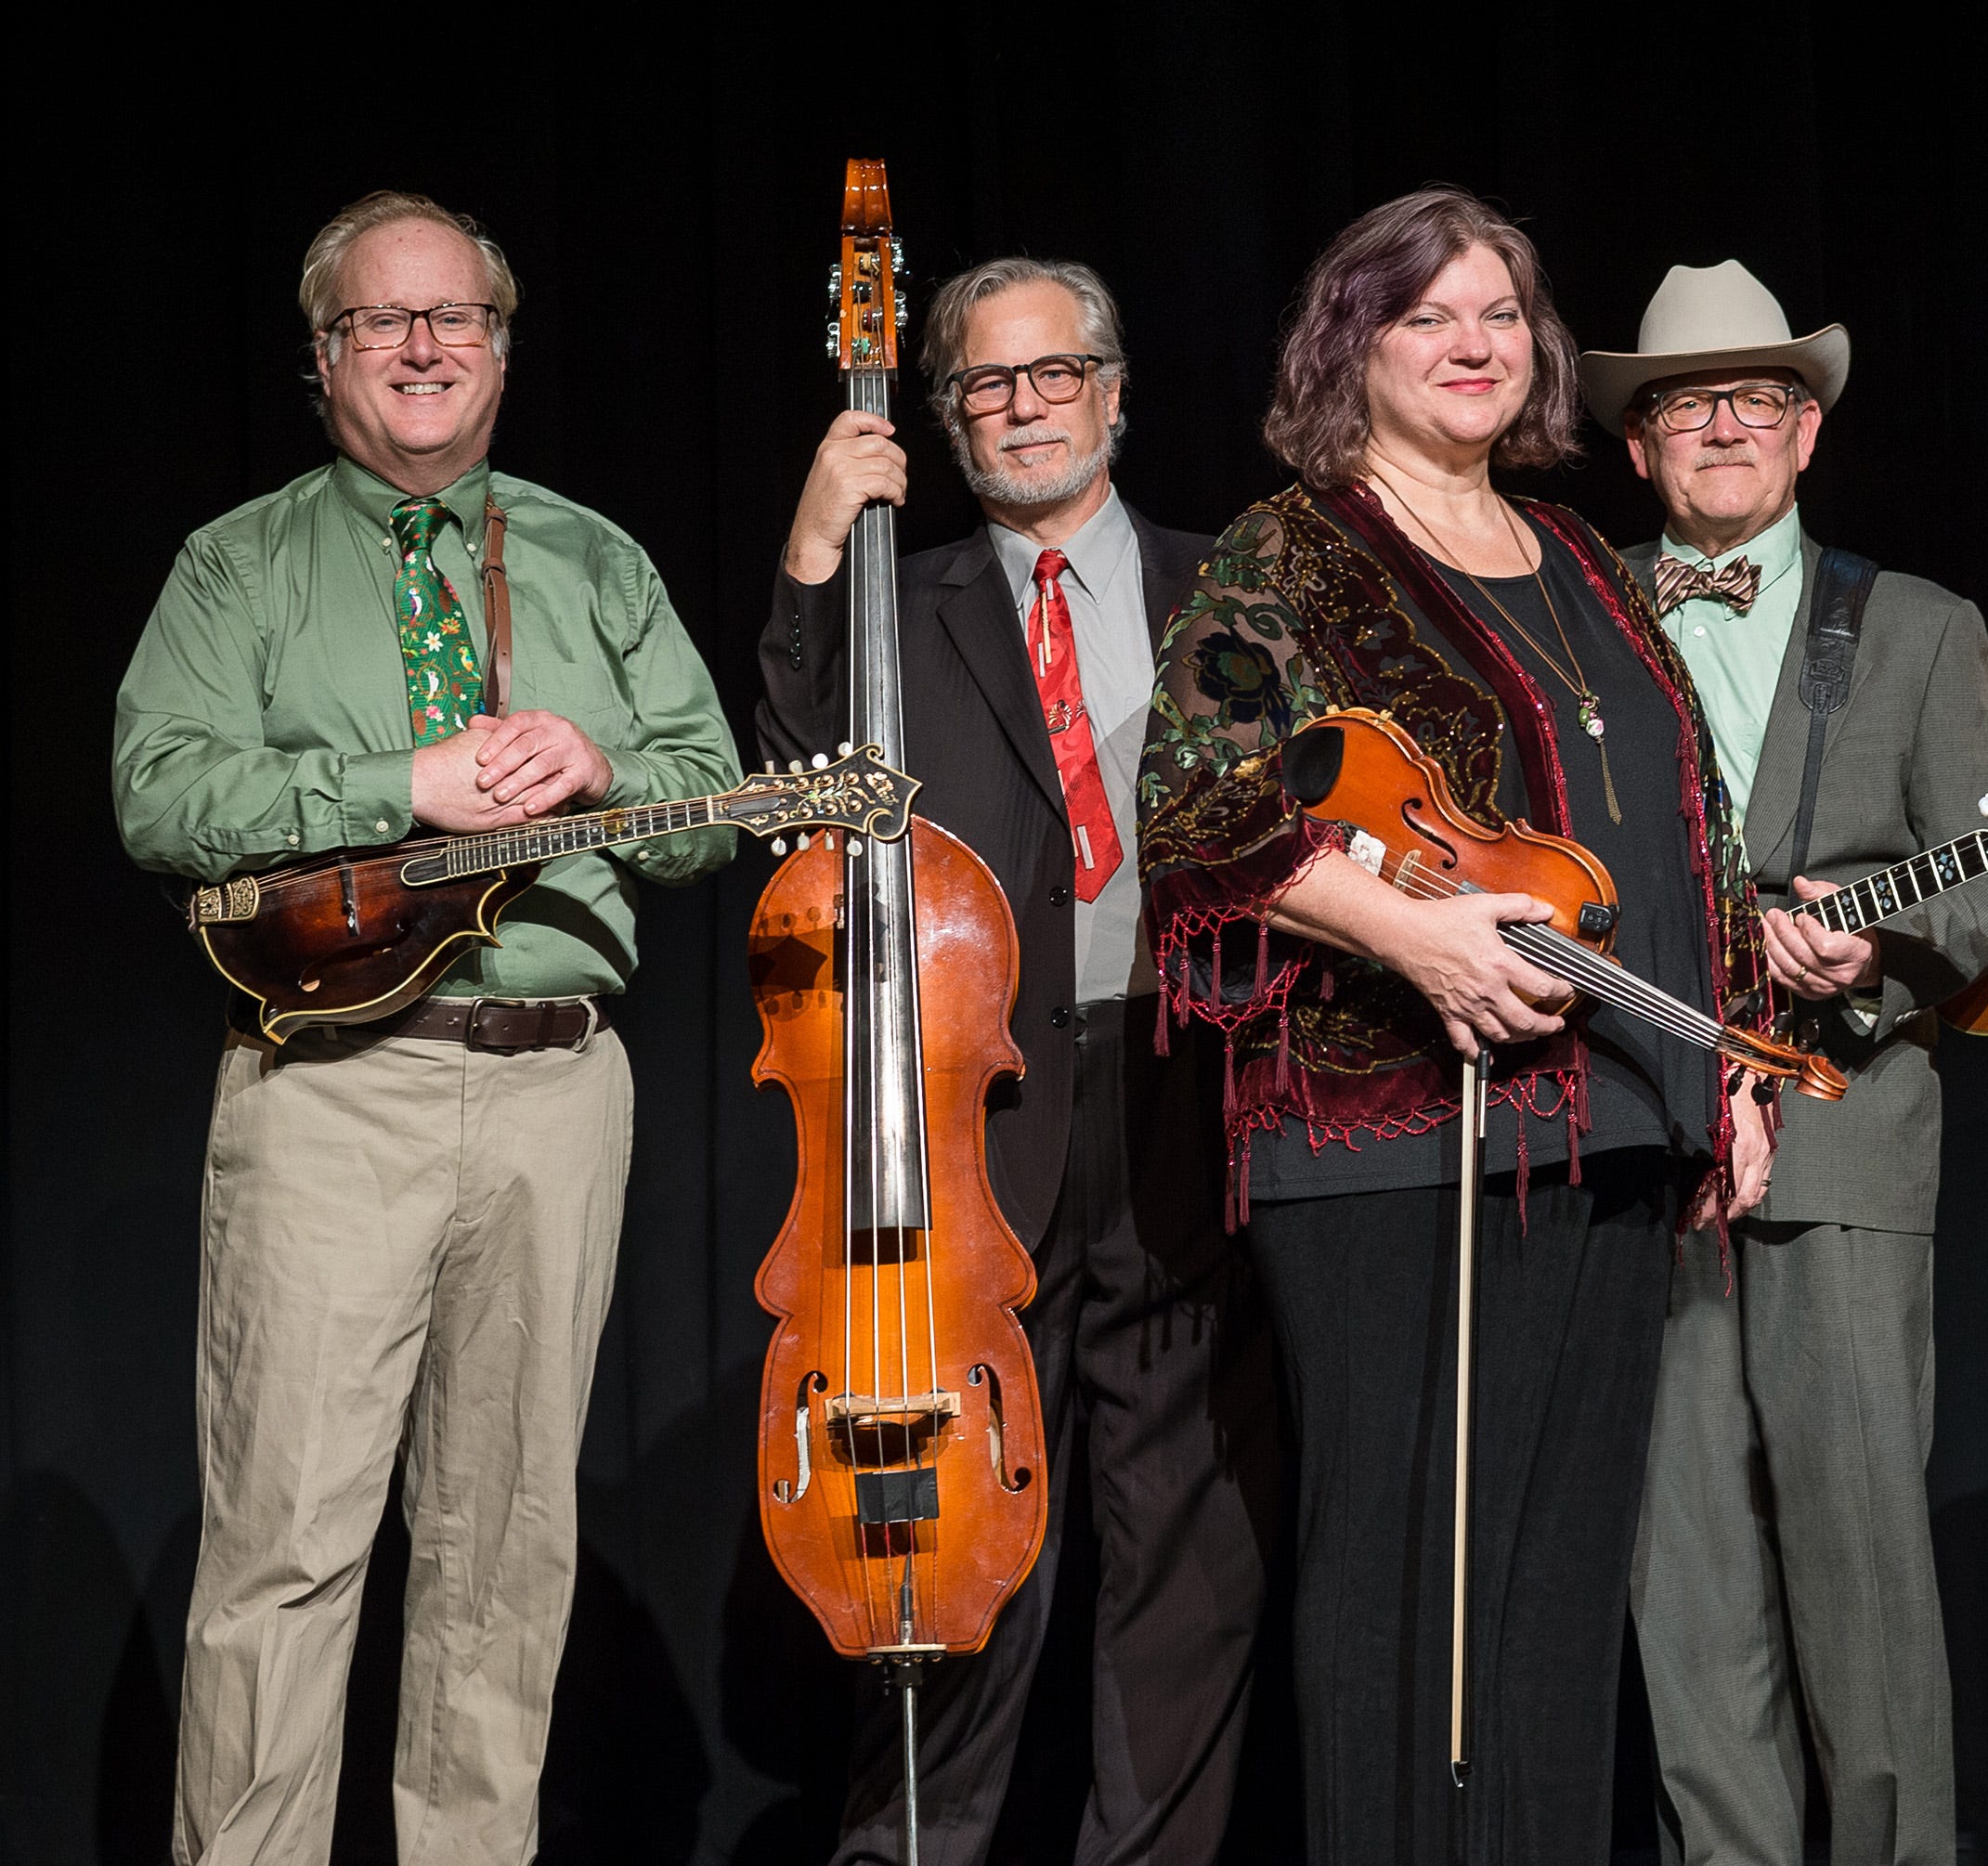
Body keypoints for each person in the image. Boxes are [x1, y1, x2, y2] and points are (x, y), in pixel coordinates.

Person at [111, 191, 743, 1865]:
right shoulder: (239, 564)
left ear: (502, 351)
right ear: (325, 357)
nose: (422, 346)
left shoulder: (597, 557)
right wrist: (403, 784)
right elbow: (160, 792)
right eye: (382, 320)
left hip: (559, 1084)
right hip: (331, 1091)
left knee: (503, 1554)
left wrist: (604, 770)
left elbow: (707, 806)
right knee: (287, 1544)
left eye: (455, 316)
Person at [1138, 187, 1767, 1866]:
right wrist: (1411, 936)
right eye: (1429, 316)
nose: (1474, 345)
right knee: (1409, 1575)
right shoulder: (1289, 551)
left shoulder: (1584, 557)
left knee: (1559, 1591)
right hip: (1398, 1141)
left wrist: (1730, 1061)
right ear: (1353, 346)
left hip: (1618, 1123)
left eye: (1499, 314)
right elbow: (1197, 812)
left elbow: (1690, 825)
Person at [758, 254, 1277, 1866]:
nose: (1027, 405)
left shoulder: (1226, 585)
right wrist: (813, 552)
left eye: (1057, 372)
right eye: (989, 382)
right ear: (945, 415)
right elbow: (796, 810)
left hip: (1186, 1088)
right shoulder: (896, 610)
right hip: (971, 1124)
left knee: (1186, 1553)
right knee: (954, 1541)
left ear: (1114, 392)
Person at [1584, 261, 1988, 1866]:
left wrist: (1880, 947)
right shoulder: (1578, 616)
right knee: (1688, 1583)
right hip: (1643, 1146)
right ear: (1638, 445)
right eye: (1685, 404)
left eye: (1755, 399)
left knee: (1862, 1572)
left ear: (1808, 430)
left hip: (1846, 1136)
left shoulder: (1916, 624)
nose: (1722, 426)